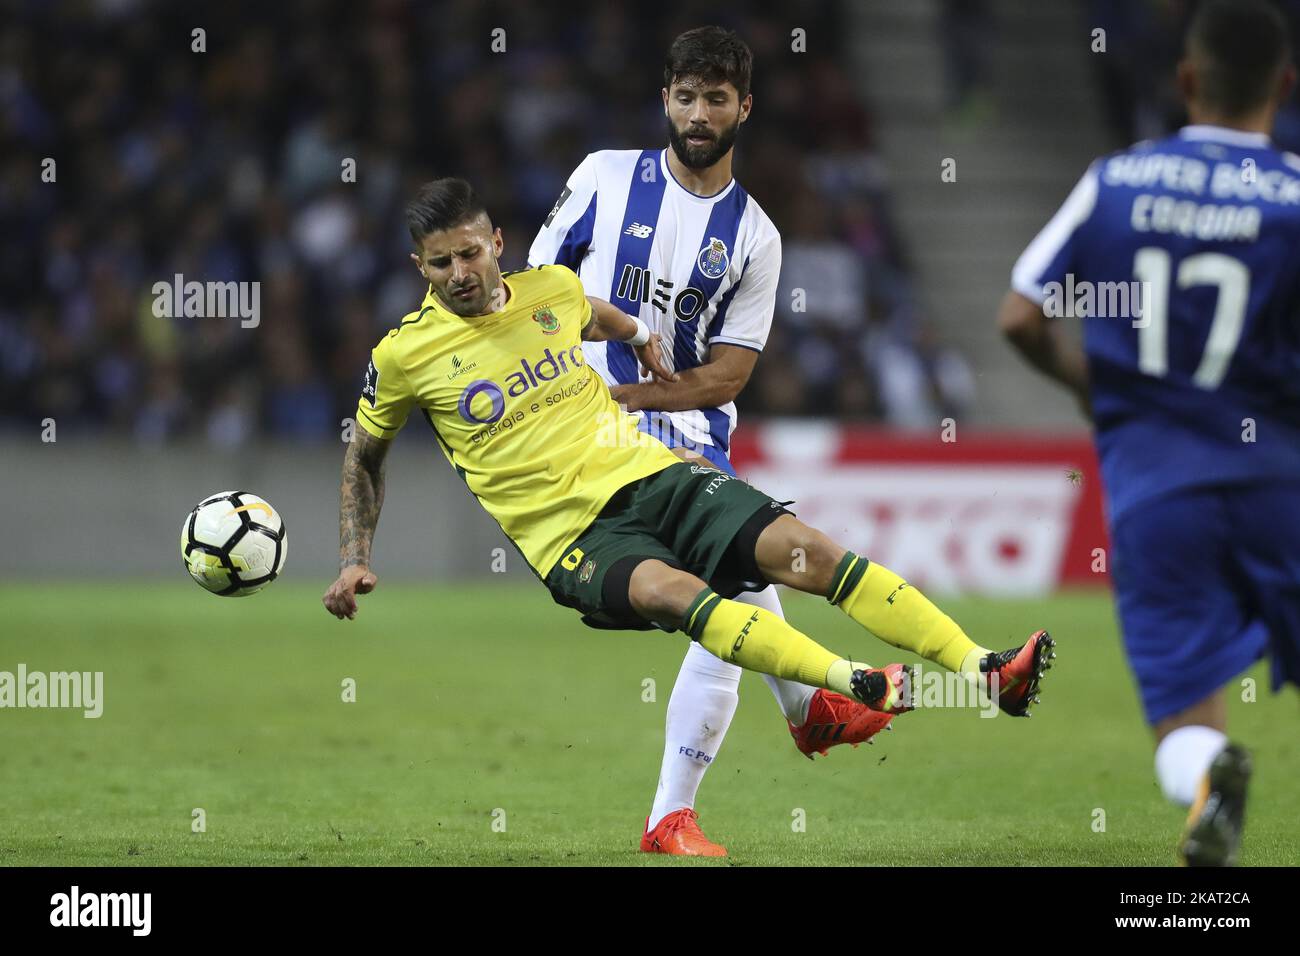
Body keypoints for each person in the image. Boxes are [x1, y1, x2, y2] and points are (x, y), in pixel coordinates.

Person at [323, 177, 1054, 856]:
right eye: (441, 262)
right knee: (673, 594)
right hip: (573, 537)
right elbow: (364, 455)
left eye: (470, 253)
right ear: (420, 266)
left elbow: (596, 313)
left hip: (656, 477)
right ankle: (848, 680)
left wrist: (639, 336)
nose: (459, 273)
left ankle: (985, 670)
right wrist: (356, 554)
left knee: (808, 552)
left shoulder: (552, 290)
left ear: (497, 245)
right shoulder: (405, 356)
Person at [526, 25, 891, 858]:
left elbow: (729, 375)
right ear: (665, 99)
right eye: (685, 97)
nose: (698, 113)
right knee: (729, 589)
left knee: (730, 595)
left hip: (689, 425)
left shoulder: (756, 236)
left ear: (744, 108)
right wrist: (585, 392)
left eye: (715, 99)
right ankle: (774, 735)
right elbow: (537, 291)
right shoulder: (604, 177)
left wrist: (637, 391)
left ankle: (739, 763)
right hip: (592, 428)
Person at [999, 0, 1299, 867]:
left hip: (1158, 489)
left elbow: (1019, 315)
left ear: (1186, 80)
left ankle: (1213, 776)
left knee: (1182, 717)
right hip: (1283, 479)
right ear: (1284, 85)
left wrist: (1103, 392)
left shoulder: (1116, 180)